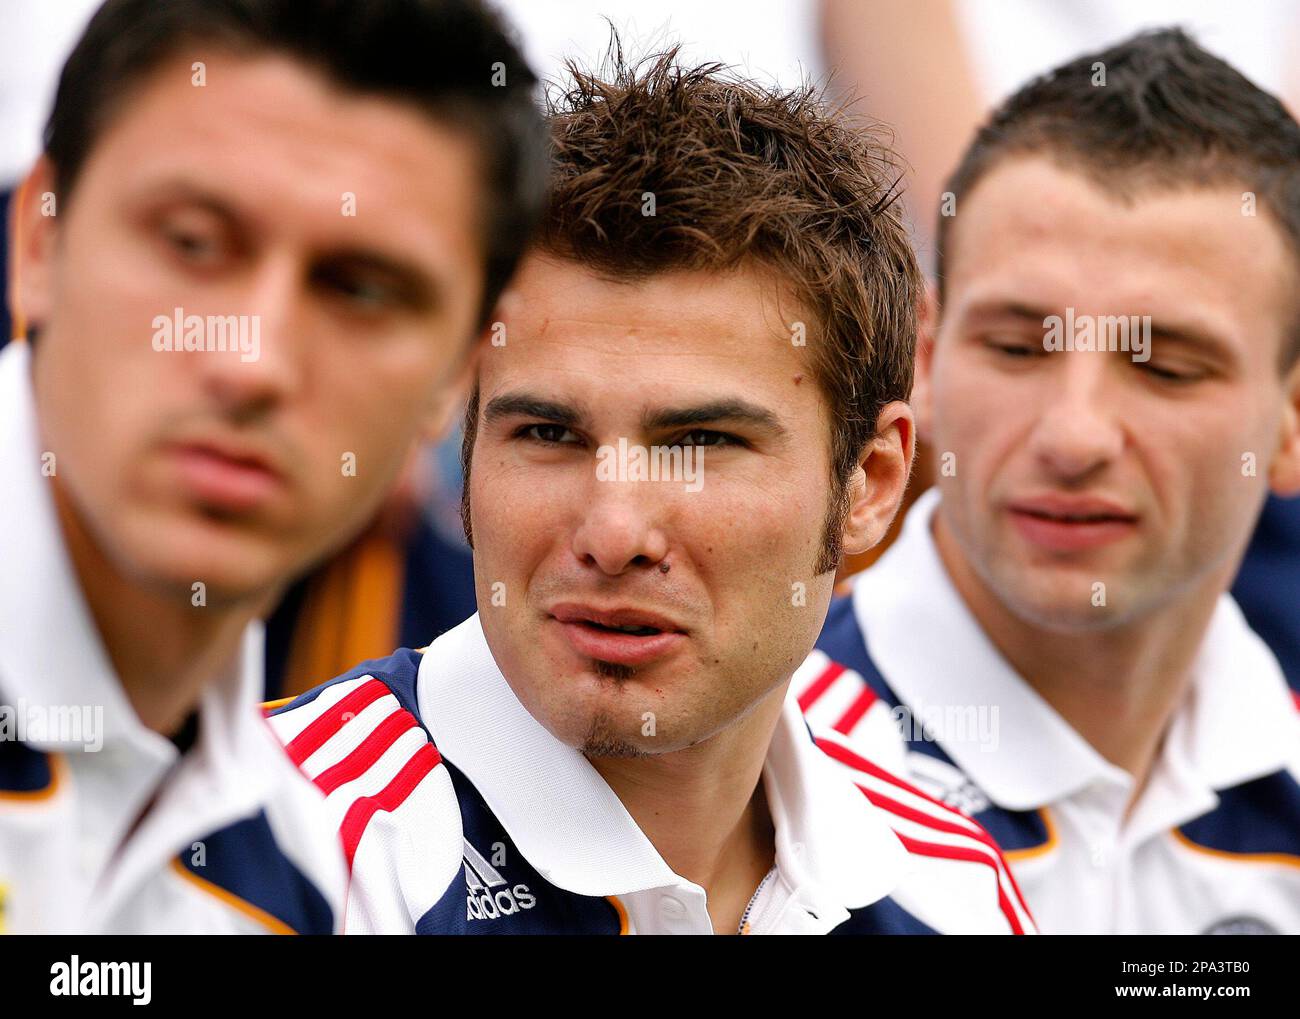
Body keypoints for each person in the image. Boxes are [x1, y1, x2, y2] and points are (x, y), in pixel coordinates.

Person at [267, 43, 1034, 935]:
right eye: (548, 434)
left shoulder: (959, 894)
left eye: (699, 443)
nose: (614, 529)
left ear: (871, 480)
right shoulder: (275, 851)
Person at [0, 0, 546, 933]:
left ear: (456, 375)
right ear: (38, 238)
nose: (252, 358)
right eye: (193, 243)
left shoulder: (315, 880)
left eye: (361, 289)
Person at [805, 28, 1300, 934]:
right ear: (925, 361)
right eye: (1016, 346)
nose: (1074, 436)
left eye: (1165, 367)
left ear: (1290, 418)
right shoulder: (758, 781)